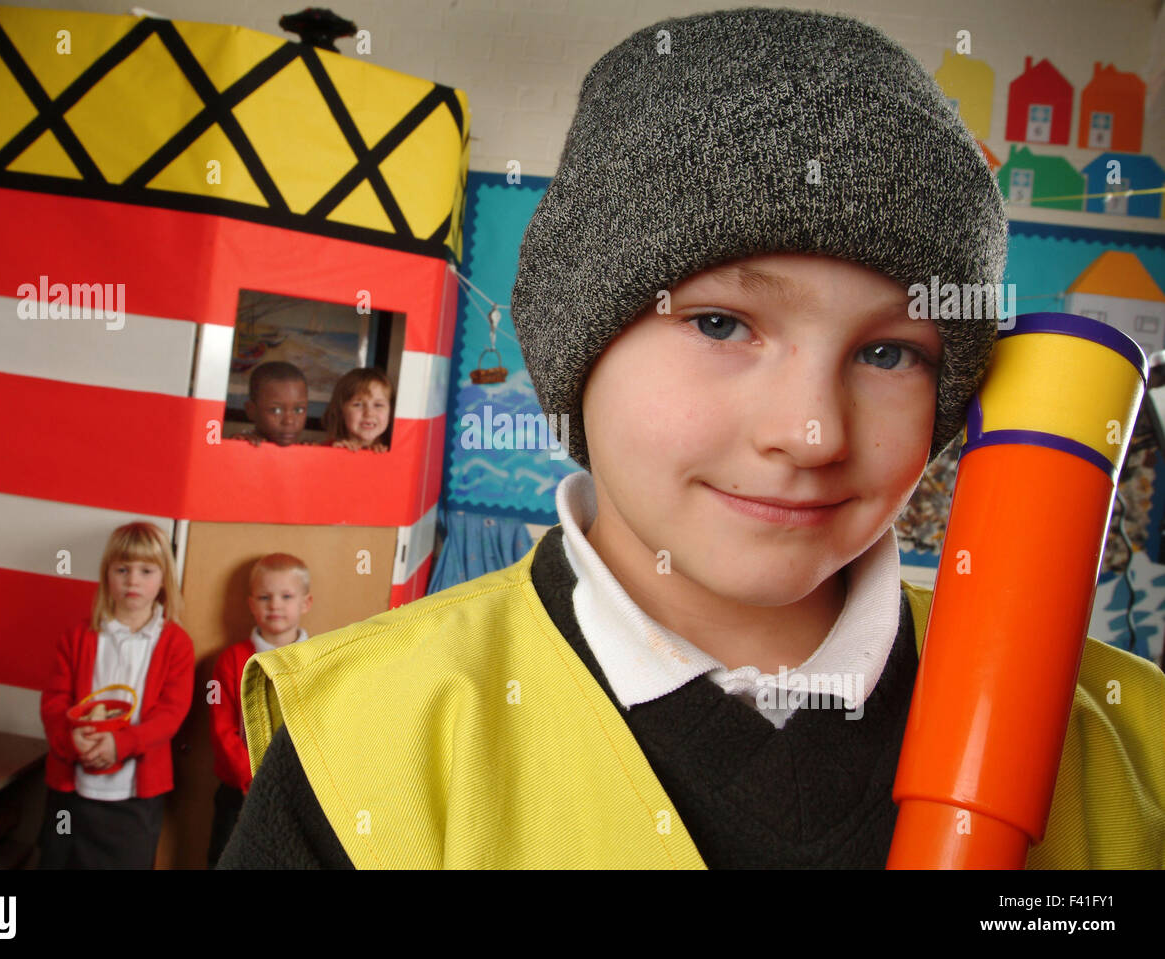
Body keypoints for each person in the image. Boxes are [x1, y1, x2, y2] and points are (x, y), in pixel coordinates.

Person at [219, 8, 1164, 869]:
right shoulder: (368, 749)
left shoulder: (1132, 753)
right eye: (720, 325)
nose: (812, 432)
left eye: (888, 352)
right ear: (576, 344)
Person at [38, 522, 195, 868]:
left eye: (145, 570)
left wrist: (120, 745)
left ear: (163, 578)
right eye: (122, 569)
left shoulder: (175, 644)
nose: (133, 580)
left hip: (135, 798)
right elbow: (54, 702)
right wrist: (70, 738)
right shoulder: (78, 636)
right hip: (71, 792)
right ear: (107, 574)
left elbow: (171, 714)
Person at [206, 553, 313, 868]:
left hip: (294, 795)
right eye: (265, 597)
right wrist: (252, 779)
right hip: (237, 792)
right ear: (251, 604)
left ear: (306, 603)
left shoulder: (315, 661)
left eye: (286, 596)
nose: (275, 605)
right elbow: (221, 730)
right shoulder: (230, 660)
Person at [234, 361, 309, 446]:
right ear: (251, 411)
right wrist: (237, 446)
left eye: (298, 410)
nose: (289, 421)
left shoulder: (306, 449)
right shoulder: (241, 444)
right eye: (276, 410)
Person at [322, 367, 393, 452]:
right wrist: (335, 455)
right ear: (340, 411)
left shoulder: (397, 453)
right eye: (357, 405)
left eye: (378, 405)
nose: (369, 413)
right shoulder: (326, 449)